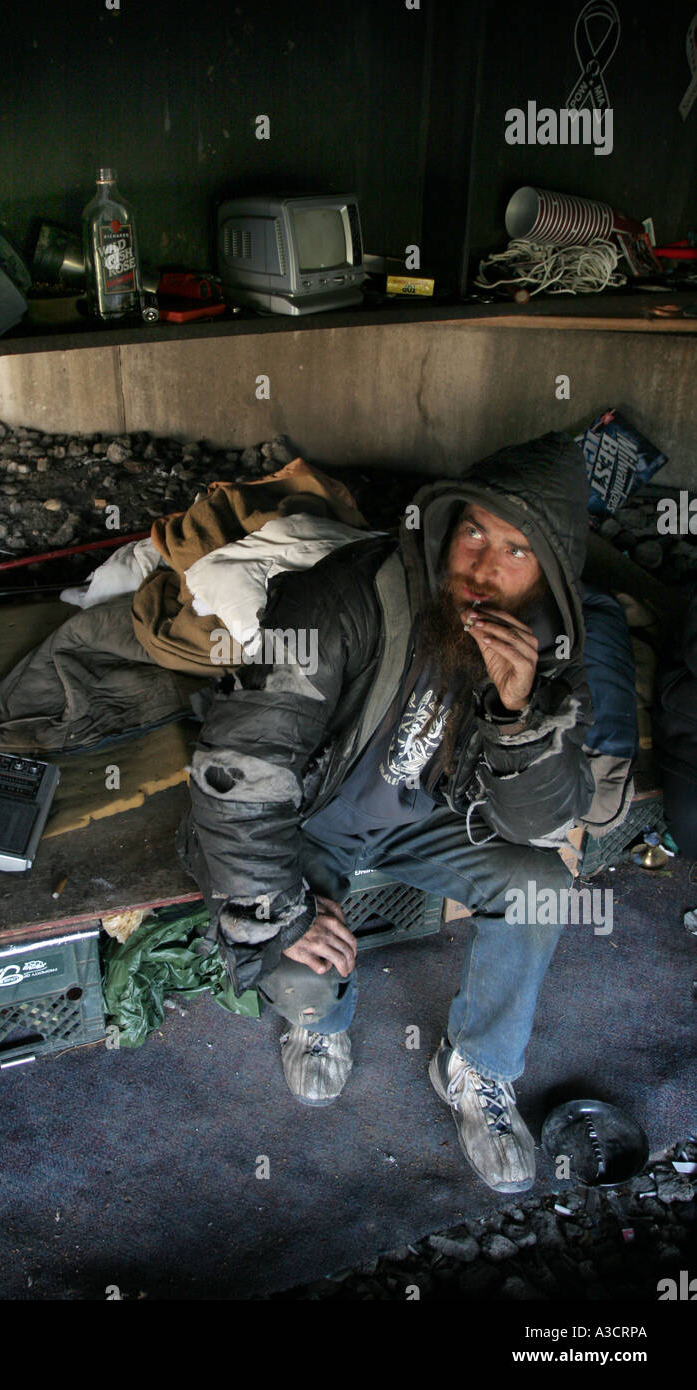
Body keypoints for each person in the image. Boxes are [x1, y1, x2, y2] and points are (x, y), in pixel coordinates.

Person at [177, 432, 596, 1194]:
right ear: (446, 531)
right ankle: (319, 1026)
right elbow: (243, 768)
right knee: (298, 970)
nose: (483, 566)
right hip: (312, 819)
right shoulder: (345, 596)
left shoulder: (546, 651)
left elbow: (541, 822)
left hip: (426, 822)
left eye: (516, 550)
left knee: (542, 884)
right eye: (474, 532)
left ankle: (478, 1066)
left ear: (548, 575)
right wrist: (282, 914)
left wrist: (517, 713)